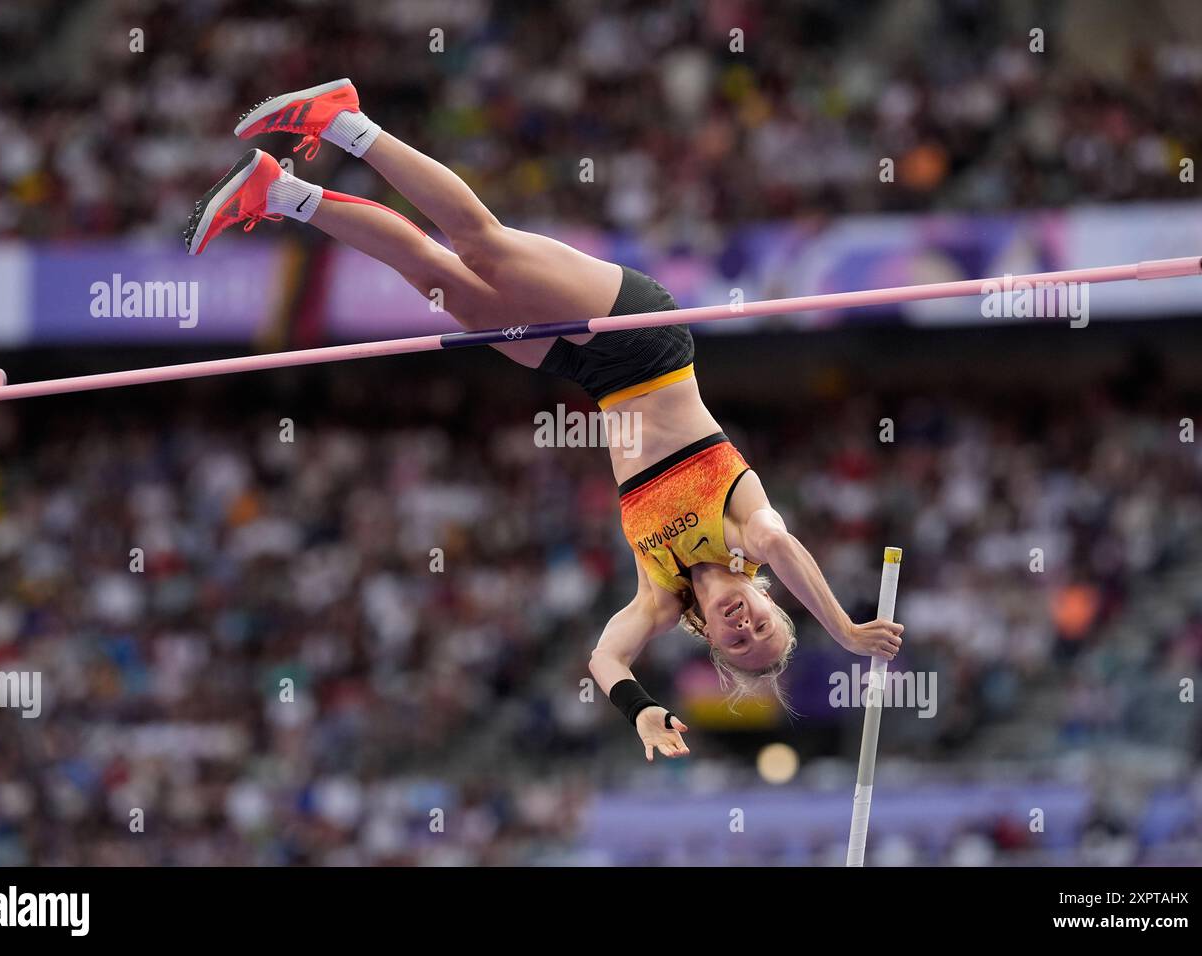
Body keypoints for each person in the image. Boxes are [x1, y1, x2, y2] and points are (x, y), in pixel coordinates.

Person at [186, 78, 904, 761]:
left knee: (437, 278)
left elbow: (605, 656)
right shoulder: (748, 533)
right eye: (766, 628)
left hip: (591, 374)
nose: (747, 629)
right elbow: (780, 540)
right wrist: (840, 628)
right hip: (644, 341)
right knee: (483, 246)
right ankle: (343, 119)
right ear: (769, 602)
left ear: (714, 642)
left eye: (741, 646)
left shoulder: (660, 595)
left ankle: (279, 191)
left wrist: (639, 707)